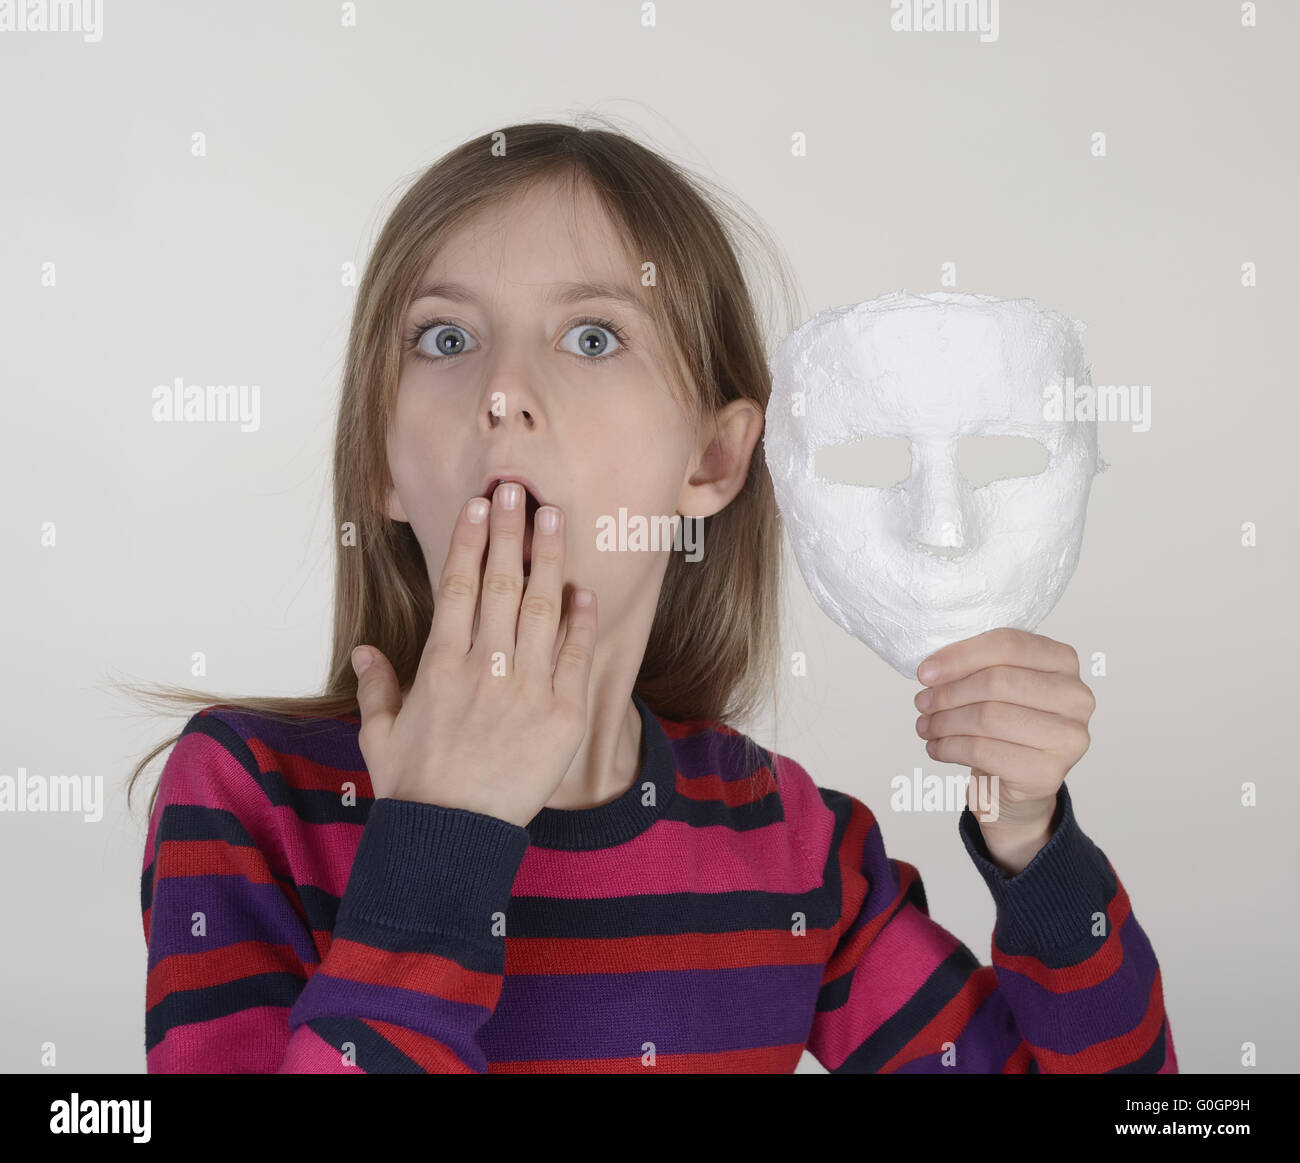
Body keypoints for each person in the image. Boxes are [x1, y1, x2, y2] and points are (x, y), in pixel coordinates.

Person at [130, 118, 1176, 1073]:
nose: (503, 393)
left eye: (592, 336)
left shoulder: (791, 845)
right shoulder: (245, 797)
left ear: (715, 460)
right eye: (445, 337)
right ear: (382, 466)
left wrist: (1032, 842)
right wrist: (441, 834)